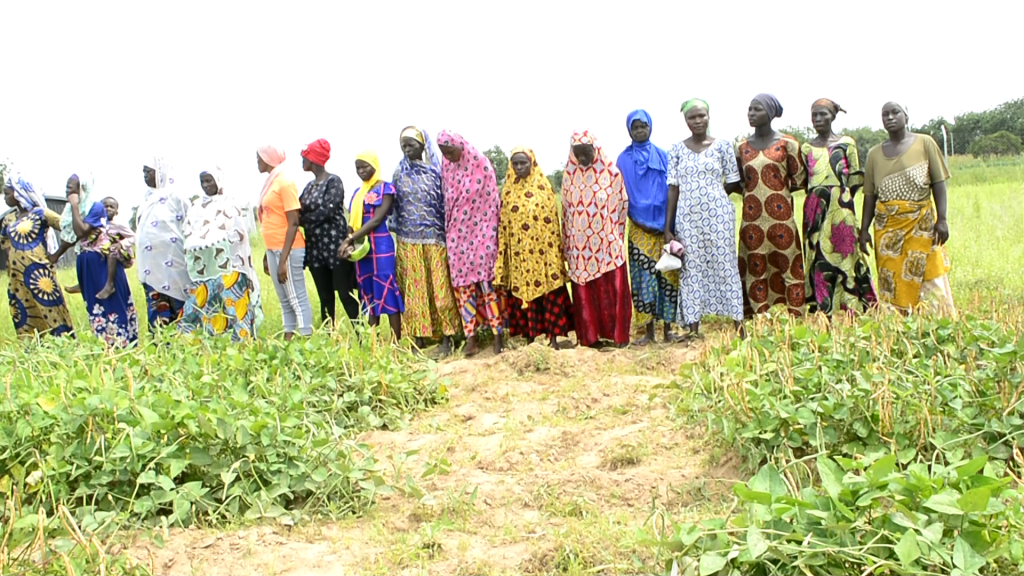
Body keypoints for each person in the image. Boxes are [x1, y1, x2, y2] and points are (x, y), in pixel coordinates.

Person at [859, 102, 955, 316]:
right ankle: (898, 323)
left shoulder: (925, 143)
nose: (890, 117)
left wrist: (942, 219)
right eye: (885, 114)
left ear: (906, 116)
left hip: (922, 225)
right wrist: (864, 230)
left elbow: (938, 183)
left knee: (929, 273)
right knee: (890, 277)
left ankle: (937, 321)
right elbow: (870, 196)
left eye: (895, 112)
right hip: (887, 229)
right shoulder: (874, 154)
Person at [665, 99, 745, 338]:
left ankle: (739, 325)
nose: (698, 121)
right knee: (691, 268)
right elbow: (673, 188)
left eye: (702, 116)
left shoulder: (723, 146)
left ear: (709, 117)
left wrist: (713, 196)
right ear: (685, 121)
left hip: (719, 217)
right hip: (687, 218)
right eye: (692, 117)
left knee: (726, 264)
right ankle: (693, 329)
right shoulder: (676, 150)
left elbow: (733, 181)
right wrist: (668, 227)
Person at [802, 99, 877, 315]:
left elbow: (854, 179)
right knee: (818, 256)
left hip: (842, 208)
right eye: (814, 115)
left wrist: (840, 198)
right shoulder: (806, 148)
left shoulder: (847, 143)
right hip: (815, 210)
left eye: (822, 114)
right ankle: (823, 307)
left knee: (846, 253)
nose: (818, 119)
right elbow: (804, 181)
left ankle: (850, 305)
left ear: (832, 117)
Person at [494, 147, 574, 349]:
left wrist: (555, 255)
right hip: (519, 256)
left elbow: (553, 225)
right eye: (515, 164)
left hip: (543, 255)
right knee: (523, 296)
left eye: (523, 163)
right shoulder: (508, 192)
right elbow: (504, 228)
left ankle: (553, 339)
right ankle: (530, 340)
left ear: (532, 164)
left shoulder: (543, 188)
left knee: (549, 293)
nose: (519, 167)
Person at [736, 94, 808, 317]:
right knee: (755, 266)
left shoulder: (788, 144)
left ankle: (796, 316)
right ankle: (760, 317)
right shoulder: (741, 147)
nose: (751, 114)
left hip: (782, 218)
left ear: (770, 113)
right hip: (752, 220)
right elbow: (739, 181)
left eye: (757, 109)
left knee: (790, 264)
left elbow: (799, 179)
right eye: (749, 109)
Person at [391, 126, 461, 356]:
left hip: (434, 239)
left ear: (422, 145)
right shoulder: (399, 174)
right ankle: (419, 339)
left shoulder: (435, 173)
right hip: (408, 240)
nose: (407, 149)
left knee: (440, 290)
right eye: (403, 146)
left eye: (411, 145)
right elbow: (395, 207)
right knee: (415, 292)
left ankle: (447, 337)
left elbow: (444, 203)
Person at [562, 130, 632, 348]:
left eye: (587, 152)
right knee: (585, 295)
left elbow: (622, 206)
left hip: (607, 245)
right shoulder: (569, 175)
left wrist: (615, 236)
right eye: (578, 154)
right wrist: (568, 245)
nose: (583, 158)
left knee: (612, 290)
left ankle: (618, 336)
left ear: (596, 149)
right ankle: (590, 338)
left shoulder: (611, 173)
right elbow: (565, 212)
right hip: (579, 248)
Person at [437, 130, 503, 356]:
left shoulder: (480, 164)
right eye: (444, 153)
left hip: (482, 233)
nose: (448, 156)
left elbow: (492, 200)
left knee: (487, 284)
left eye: (450, 151)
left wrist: (491, 232)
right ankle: (470, 337)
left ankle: (498, 335)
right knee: (463, 288)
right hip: (457, 235)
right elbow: (448, 201)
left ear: (460, 146)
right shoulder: (446, 167)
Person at [179, 168, 263, 341]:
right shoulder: (196, 207)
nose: (205, 185)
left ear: (218, 180)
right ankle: (212, 346)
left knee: (235, 309)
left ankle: (243, 346)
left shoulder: (229, 204)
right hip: (204, 271)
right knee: (206, 311)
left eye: (209, 180)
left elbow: (239, 235)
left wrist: (214, 238)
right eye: (202, 181)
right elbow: (188, 232)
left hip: (230, 268)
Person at [617, 110, 678, 345]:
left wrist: (667, 226)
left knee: (668, 278)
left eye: (643, 126)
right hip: (639, 229)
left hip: (665, 229)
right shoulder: (623, 160)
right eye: (635, 127)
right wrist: (639, 220)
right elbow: (621, 194)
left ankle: (668, 330)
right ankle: (648, 332)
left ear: (650, 127)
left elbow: (673, 189)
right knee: (644, 281)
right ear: (629, 131)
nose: (640, 131)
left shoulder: (663, 156)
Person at [64, 173, 140, 346]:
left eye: (71, 187)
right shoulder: (79, 211)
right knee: (96, 307)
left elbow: (81, 231)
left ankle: (121, 345)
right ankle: (104, 346)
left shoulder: (95, 209)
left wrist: (120, 244)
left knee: (112, 306)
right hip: (89, 265)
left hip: (106, 262)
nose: (68, 191)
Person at [338, 151, 404, 339]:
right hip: (363, 249)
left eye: (364, 166)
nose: (361, 171)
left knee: (386, 286)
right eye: (357, 168)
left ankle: (396, 341)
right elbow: (352, 221)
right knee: (367, 289)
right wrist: (350, 241)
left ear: (375, 166)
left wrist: (350, 239)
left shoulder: (386, 189)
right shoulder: (358, 193)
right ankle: (373, 341)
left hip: (381, 245)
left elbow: (376, 220)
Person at [1, 174, 75, 338]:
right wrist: (12, 265)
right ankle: (32, 350)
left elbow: (69, 229)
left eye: (7, 193)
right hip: (16, 278)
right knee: (23, 315)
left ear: (18, 193)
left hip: (40, 273)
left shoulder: (41, 213)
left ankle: (64, 344)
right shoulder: (8, 219)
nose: (4, 197)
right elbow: (5, 243)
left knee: (52, 311)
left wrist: (56, 255)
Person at [299, 138, 359, 327]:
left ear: (313, 159)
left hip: (335, 248)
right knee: (324, 297)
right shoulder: (309, 187)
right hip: (315, 249)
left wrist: (303, 220)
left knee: (345, 294)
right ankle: (327, 336)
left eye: (305, 157)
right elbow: (297, 210)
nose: (302, 161)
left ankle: (362, 335)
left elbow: (328, 211)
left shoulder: (334, 181)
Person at [257, 144, 313, 340]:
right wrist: (268, 254)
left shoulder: (285, 183)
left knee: (297, 297)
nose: (257, 161)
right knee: (284, 299)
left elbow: (294, 222)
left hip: (288, 249)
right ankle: (288, 340)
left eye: (259, 157)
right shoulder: (271, 182)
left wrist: (283, 260)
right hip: (273, 248)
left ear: (268, 158)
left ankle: (307, 340)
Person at [136, 156, 190, 329]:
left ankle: (183, 342)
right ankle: (160, 343)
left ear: (161, 173)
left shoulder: (177, 197)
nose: (145, 175)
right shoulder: (146, 199)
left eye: (149, 172)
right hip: (153, 270)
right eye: (143, 172)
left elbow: (188, 226)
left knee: (180, 311)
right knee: (157, 315)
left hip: (175, 268)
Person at [53, 197, 134, 297]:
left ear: (116, 212)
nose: (108, 209)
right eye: (105, 206)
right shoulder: (98, 224)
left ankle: (110, 284)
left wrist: (121, 244)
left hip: (120, 253)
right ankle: (82, 283)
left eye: (111, 207)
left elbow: (133, 237)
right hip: (103, 249)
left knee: (111, 250)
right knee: (83, 246)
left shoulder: (118, 225)